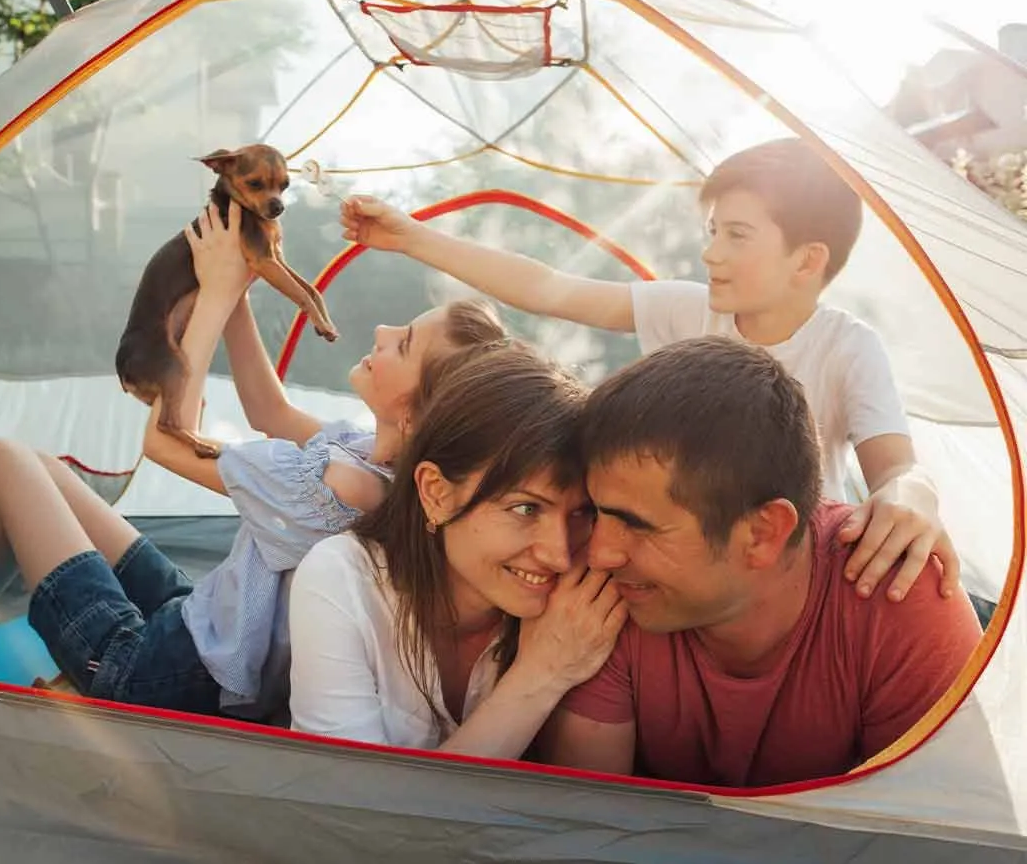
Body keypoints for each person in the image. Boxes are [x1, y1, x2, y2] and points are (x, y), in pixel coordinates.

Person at [0, 202, 506, 719]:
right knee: (41, 471)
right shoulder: (378, 467)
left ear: (419, 415)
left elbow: (167, 440)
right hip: (207, 627)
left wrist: (218, 289)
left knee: (0, 461)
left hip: (152, 675)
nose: (383, 333)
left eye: (406, 343)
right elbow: (269, 412)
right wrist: (237, 295)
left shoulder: (340, 488)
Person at [338, 137, 959, 604]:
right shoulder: (688, 308)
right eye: (712, 231)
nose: (711, 252)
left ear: (807, 259)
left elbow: (896, 469)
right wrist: (414, 238)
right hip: (666, 559)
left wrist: (913, 496)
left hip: (779, 577)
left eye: (737, 235)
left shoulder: (847, 347)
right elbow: (549, 288)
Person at [537, 336, 983, 787]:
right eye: (596, 512)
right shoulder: (609, 596)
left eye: (636, 524)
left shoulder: (897, 591)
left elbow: (938, 836)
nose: (599, 553)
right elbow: (591, 826)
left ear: (763, 533)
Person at [288, 343, 627, 755]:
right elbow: (357, 806)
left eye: (581, 513)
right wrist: (542, 674)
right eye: (525, 508)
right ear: (436, 493)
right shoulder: (342, 582)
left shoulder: (585, 603)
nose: (559, 554)